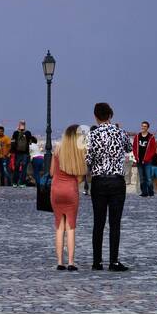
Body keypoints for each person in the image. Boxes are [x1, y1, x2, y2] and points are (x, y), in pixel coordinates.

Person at [85, 102, 129, 271]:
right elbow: (128, 147)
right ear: (110, 115)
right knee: (115, 223)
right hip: (117, 181)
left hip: (99, 181)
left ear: (96, 116)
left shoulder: (92, 135)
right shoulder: (120, 133)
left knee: (99, 222)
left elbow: (88, 160)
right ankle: (114, 261)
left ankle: (97, 261)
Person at [50, 124, 87, 270]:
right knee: (71, 227)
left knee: (59, 227)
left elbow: (52, 172)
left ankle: (60, 262)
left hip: (56, 189)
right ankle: (71, 262)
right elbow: (80, 177)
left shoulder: (58, 149)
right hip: (71, 190)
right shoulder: (80, 151)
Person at [133, 121, 157, 197]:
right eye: (142, 126)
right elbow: (134, 147)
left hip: (147, 161)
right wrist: (136, 157)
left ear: (147, 128)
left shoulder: (151, 137)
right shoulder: (137, 136)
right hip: (139, 160)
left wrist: (147, 158)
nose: (143, 127)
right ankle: (144, 192)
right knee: (141, 178)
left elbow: (153, 149)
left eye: (145, 126)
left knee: (148, 178)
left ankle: (151, 192)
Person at [10, 121, 35, 186]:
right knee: (24, 169)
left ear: (19, 125)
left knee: (16, 168)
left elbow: (12, 143)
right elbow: (32, 141)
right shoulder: (27, 132)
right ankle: (22, 183)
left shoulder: (15, 133)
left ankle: (15, 183)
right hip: (25, 153)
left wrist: (12, 152)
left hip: (17, 153)